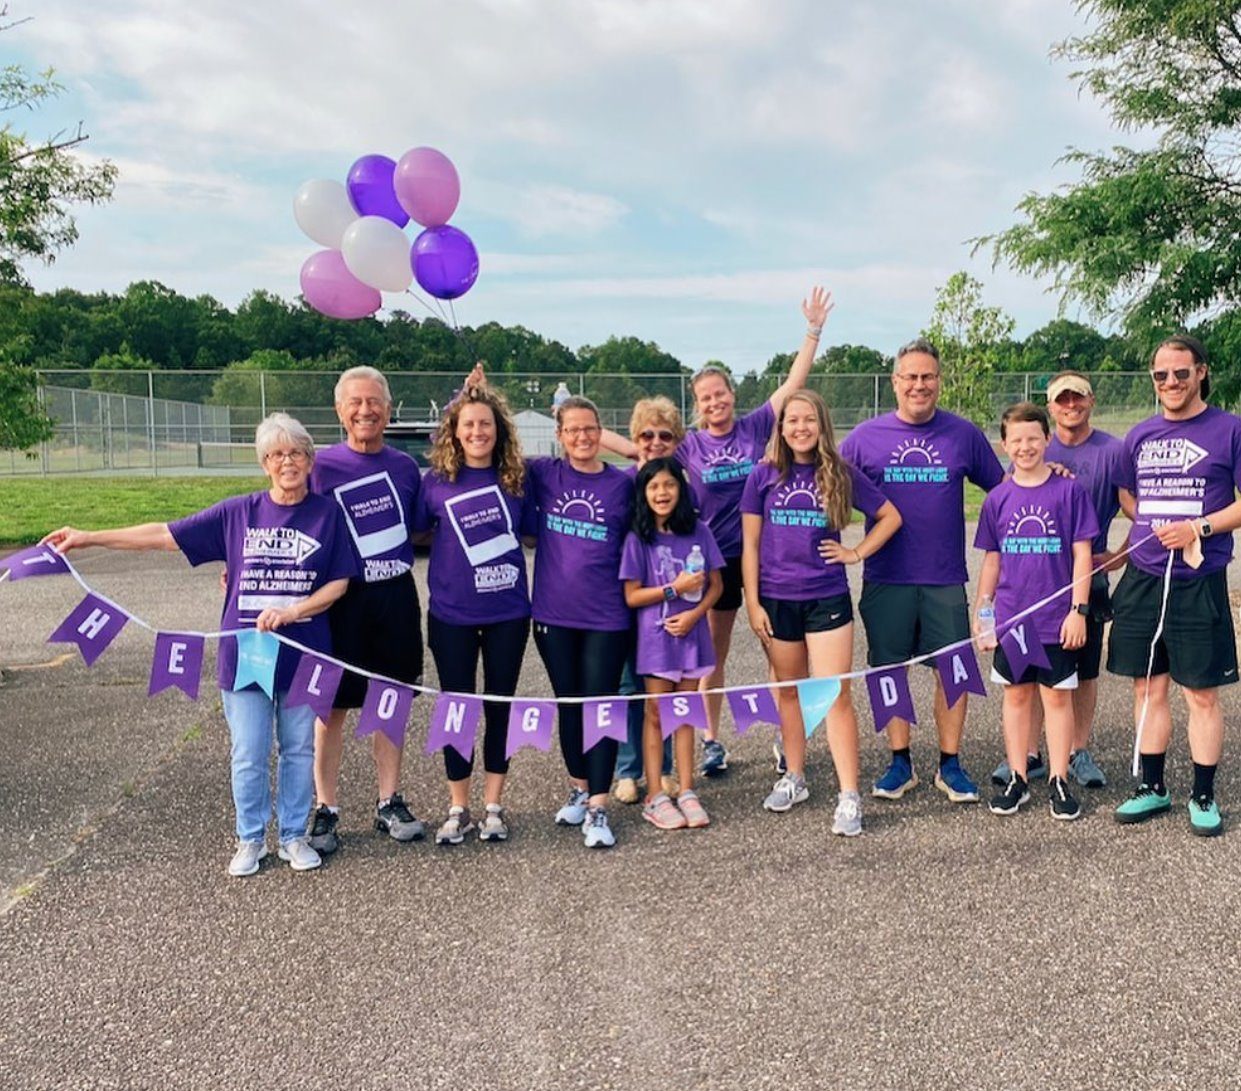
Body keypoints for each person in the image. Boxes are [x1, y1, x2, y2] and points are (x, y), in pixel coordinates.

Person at [43, 413, 355, 876]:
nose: (286, 462)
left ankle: (292, 836)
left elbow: (340, 584)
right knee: (249, 751)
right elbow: (162, 535)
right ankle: (251, 839)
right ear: (264, 464)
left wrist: (294, 611)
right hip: (245, 656)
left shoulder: (328, 515)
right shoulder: (237, 513)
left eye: (295, 453)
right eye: (275, 454)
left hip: (307, 654)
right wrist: (88, 538)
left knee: (299, 750)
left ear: (310, 460)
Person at [603, 287, 834, 778]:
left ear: (732, 395)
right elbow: (628, 445)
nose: (715, 403)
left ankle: (783, 732)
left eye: (720, 393)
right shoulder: (686, 447)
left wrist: (812, 331)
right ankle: (711, 740)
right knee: (711, 654)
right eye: (705, 398)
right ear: (698, 405)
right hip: (713, 562)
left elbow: (796, 381)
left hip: (766, 557)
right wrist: (632, 449)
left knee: (778, 648)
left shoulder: (754, 427)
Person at [839, 338, 1004, 805]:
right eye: (910, 377)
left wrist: (1049, 478)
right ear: (895, 382)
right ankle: (900, 763)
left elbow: (1005, 489)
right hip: (886, 576)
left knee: (953, 672)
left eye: (927, 376)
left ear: (938, 381)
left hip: (944, 577)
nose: (919, 385)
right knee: (888, 670)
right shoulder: (865, 438)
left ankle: (949, 765)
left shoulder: (962, 434)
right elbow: (826, 484)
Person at [741, 390, 901, 836]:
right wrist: (753, 604)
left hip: (826, 597)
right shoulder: (763, 476)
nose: (800, 428)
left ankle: (848, 795)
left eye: (808, 420)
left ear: (821, 424)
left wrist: (856, 552)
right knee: (789, 694)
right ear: (781, 426)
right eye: (792, 420)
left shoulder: (839, 473)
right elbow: (750, 546)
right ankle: (795, 777)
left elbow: (890, 516)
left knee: (834, 696)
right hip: (776, 600)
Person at [1108, 336, 1241, 837]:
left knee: (1201, 694)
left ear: (1201, 372)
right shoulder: (1140, 435)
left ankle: (1203, 795)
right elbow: (1126, 489)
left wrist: (1198, 528)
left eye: (1180, 374)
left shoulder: (1229, 429)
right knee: (1147, 685)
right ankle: (1154, 787)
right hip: (1144, 577)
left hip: (1197, 580)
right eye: (1160, 376)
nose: (1170, 383)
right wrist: (1144, 529)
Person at [306, 366, 426, 853]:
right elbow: (285, 515)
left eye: (374, 401)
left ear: (388, 409)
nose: (365, 410)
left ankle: (388, 801)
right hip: (341, 600)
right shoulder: (320, 467)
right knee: (330, 707)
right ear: (339, 411)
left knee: (389, 702)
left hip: (394, 595)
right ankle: (325, 807)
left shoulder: (403, 467)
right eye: (355, 402)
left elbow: (420, 529)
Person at [990, 371, 1126, 789]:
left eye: (1078, 397)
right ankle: (1029, 754)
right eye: (1062, 399)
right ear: (1051, 407)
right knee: (1029, 674)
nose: (1071, 404)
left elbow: (1136, 508)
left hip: (1083, 583)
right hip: (1032, 589)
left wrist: (1118, 556)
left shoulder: (1111, 451)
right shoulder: (1032, 456)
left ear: (1090, 400)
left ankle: (1074, 753)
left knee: (1080, 675)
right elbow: (1005, 517)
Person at [414, 385, 536, 844]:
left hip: (508, 612)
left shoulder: (517, 479)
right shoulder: (435, 483)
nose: (477, 431)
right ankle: (457, 806)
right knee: (456, 709)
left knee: (499, 707)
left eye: (485, 423)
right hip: (451, 614)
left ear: (498, 429)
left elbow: (531, 537)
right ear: (455, 431)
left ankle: (493, 806)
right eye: (468, 424)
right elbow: (417, 534)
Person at [974, 402, 1097, 820]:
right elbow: (992, 561)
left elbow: (1083, 555)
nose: (1025, 447)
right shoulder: (998, 499)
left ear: (1047, 440)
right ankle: (1018, 776)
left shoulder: (1069, 491)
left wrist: (1078, 610)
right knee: (1016, 697)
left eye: (1033, 438)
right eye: (1016, 440)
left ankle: (1059, 780)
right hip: (1014, 623)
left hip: (1055, 622)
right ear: (1004, 444)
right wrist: (985, 615)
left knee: (1058, 700)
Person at [529, 395, 636, 849]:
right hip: (553, 615)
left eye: (590, 428)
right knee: (569, 703)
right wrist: (468, 395)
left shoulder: (623, 484)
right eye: (572, 430)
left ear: (601, 430)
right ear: (559, 436)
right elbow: (480, 444)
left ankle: (598, 805)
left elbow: (647, 456)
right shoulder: (543, 474)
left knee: (603, 706)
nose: (582, 437)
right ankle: (577, 785)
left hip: (607, 616)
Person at [620, 457, 724, 829]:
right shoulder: (638, 538)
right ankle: (655, 794)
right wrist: (672, 589)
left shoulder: (698, 531)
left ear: (680, 489)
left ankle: (687, 788)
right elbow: (632, 596)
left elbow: (717, 586)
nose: (661, 493)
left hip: (692, 638)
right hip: (655, 641)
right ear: (643, 493)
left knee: (685, 714)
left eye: (669, 485)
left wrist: (695, 616)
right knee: (654, 714)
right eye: (653, 487)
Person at [613, 397, 684, 806]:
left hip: (672, 605)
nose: (655, 442)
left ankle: (668, 767)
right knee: (628, 687)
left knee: (667, 686)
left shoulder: (682, 486)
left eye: (664, 435)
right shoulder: (622, 482)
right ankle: (628, 770)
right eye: (646, 435)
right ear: (634, 439)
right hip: (629, 597)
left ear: (676, 442)